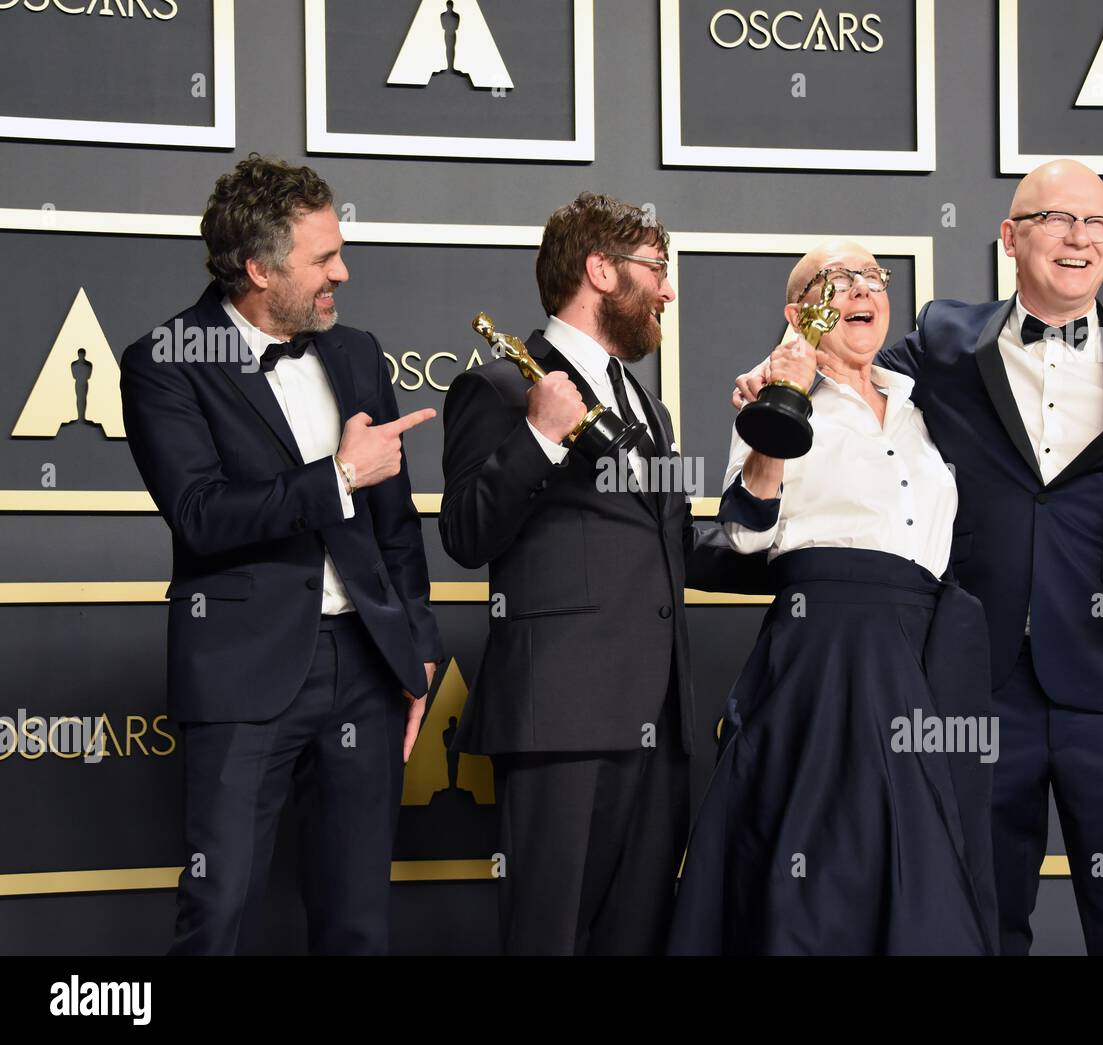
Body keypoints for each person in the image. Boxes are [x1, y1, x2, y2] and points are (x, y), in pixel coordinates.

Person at [734, 159, 1103, 955]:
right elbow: (845, 372)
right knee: (978, 921)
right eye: (1057, 219)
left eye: (1098, 223)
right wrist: (779, 375)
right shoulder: (940, 341)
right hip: (975, 685)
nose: (1080, 237)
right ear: (1010, 236)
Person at [120, 155, 443, 955]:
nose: (343, 270)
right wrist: (336, 475)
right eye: (322, 258)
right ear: (259, 268)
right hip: (243, 669)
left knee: (357, 916)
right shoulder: (163, 360)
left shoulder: (358, 353)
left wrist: (419, 648)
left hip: (366, 668)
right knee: (220, 907)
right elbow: (200, 515)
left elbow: (395, 526)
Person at [439, 192, 766, 955]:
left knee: (638, 938)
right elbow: (463, 532)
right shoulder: (495, 388)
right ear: (600, 271)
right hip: (561, 719)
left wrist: (789, 543)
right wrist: (539, 437)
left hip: (662, 722)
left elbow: (675, 541)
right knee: (546, 938)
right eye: (658, 268)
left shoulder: (647, 408)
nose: (670, 289)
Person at [669, 241, 998, 955]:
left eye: (873, 277)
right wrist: (778, 412)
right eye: (838, 279)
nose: (862, 289)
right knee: (817, 872)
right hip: (825, 650)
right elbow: (746, 534)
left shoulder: (923, 400)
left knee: (932, 861)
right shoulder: (769, 402)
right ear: (799, 313)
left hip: (926, 653)